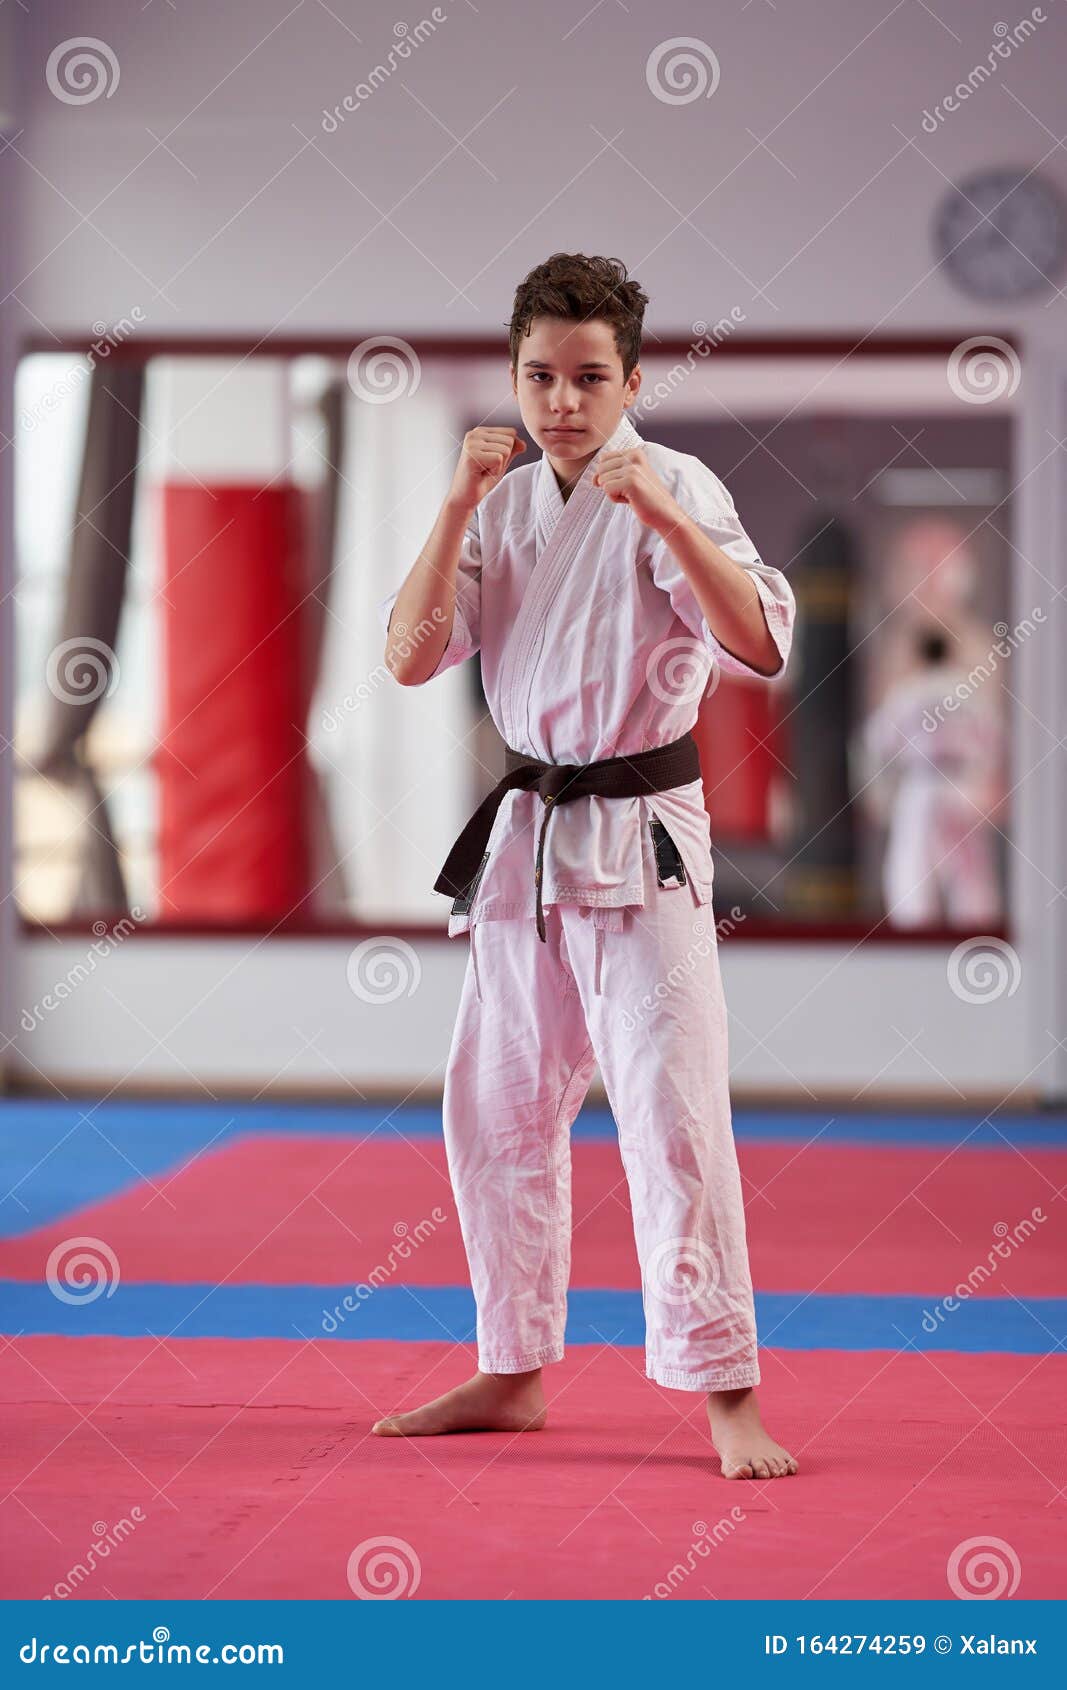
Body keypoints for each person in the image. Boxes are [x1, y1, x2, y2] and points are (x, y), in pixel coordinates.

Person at [374, 253, 798, 1480]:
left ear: (630, 378)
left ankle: (724, 1390)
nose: (562, 400)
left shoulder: (675, 484)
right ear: (512, 376)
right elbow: (406, 659)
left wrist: (660, 515)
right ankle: (511, 1369)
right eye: (540, 376)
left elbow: (758, 640)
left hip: (645, 837)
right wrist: (452, 505)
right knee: (495, 1112)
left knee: (671, 1118)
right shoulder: (499, 506)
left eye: (588, 377)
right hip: (525, 848)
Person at [860, 628, 1004, 928]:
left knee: (913, 861)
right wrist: (984, 779)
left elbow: (878, 742)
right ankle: (978, 929)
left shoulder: (909, 692)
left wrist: (879, 791)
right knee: (969, 865)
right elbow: (994, 739)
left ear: (920, 655)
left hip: (922, 782)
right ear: (948, 653)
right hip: (962, 783)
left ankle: (914, 930)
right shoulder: (969, 692)